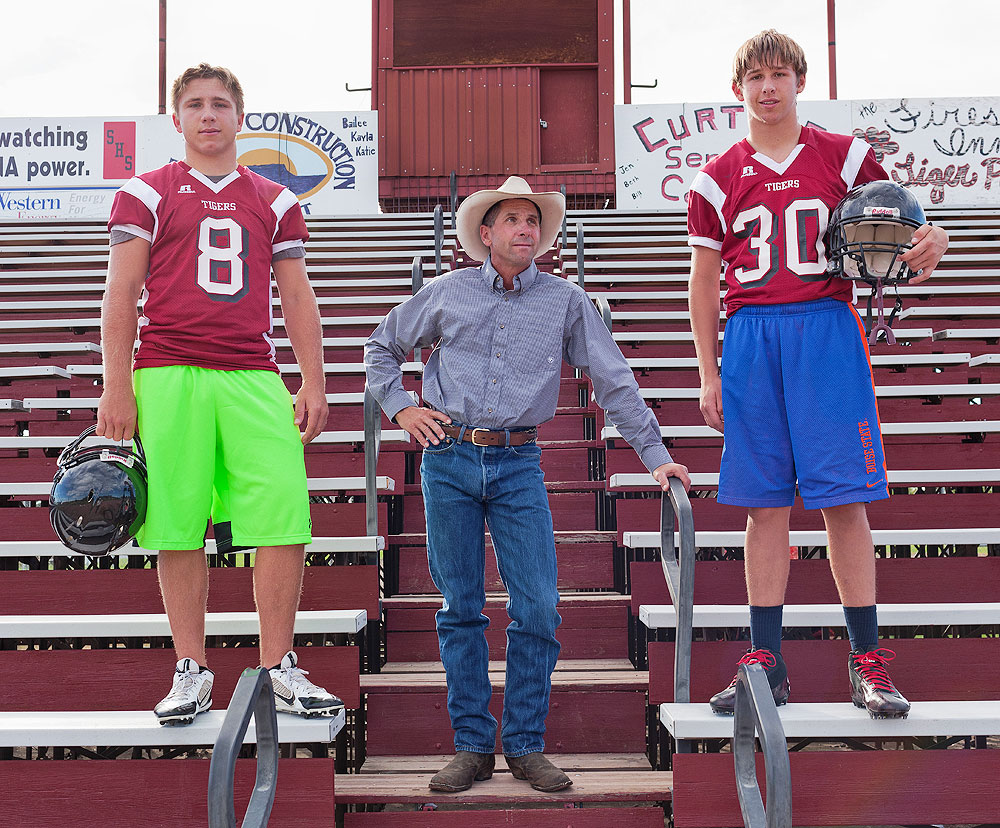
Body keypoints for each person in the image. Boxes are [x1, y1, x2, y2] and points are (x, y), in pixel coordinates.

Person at [365, 176, 690, 792]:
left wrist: (656, 456)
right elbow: (381, 348)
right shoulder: (444, 292)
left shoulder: (567, 301)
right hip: (449, 456)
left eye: (534, 221)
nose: (526, 229)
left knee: (537, 606)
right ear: (485, 234)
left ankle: (524, 744)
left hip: (519, 462)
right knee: (460, 607)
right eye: (513, 219)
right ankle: (470, 746)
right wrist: (403, 407)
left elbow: (612, 378)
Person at [687, 30, 948, 718]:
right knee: (763, 505)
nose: (768, 87)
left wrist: (937, 238)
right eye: (756, 77)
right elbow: (704, 281)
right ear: (737, 87)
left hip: (826, 328)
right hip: (749, 337)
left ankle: (867, 662)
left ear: (799, 82)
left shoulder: (845, 154)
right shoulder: (715, 177)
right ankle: (766, 663)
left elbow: (908, 221)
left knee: (843, 500)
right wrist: (708, 372)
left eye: (780, 75)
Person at [97, 63, 342, 725]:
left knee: (285, 512)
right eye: (196, 106)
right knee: (177, 523)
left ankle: (279, 666)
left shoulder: (275, 200)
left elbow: (296, 296)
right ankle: (190, 668)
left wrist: (313, 378)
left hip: (251, 373)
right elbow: (121, 295)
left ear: (240, 117)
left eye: (221, 105)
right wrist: (116, 386)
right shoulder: (146, 193)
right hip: (168, 371)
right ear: (177, 120)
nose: (209, 115)